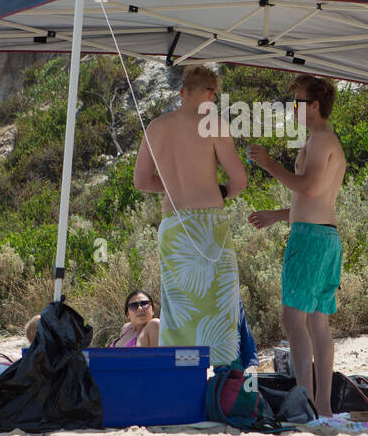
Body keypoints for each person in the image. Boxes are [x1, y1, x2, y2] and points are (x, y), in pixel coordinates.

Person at [134, 64, 247, 366]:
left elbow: (142, 181)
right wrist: (220, 191)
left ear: (183, 92)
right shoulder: (214, 125)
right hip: (208, 225)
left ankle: (184, 379)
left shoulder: (156, 127)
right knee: (219, 309)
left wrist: (171, 186)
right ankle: (221, 383)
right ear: (211, 94)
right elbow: (240, 182)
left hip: (173, 225)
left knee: (178, 311)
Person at [248, 75, 347, 416]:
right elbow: (314, 198)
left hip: (309, 238)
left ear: (314, 106)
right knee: (317, 323)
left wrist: (267, 163)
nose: (293, 108)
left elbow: (306, 187)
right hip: (326, 236)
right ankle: (321, 406)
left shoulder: (320, 140)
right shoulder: (325, 140)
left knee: (294, 321)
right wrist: (278, 215)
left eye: (298, 102)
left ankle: (305, 402)